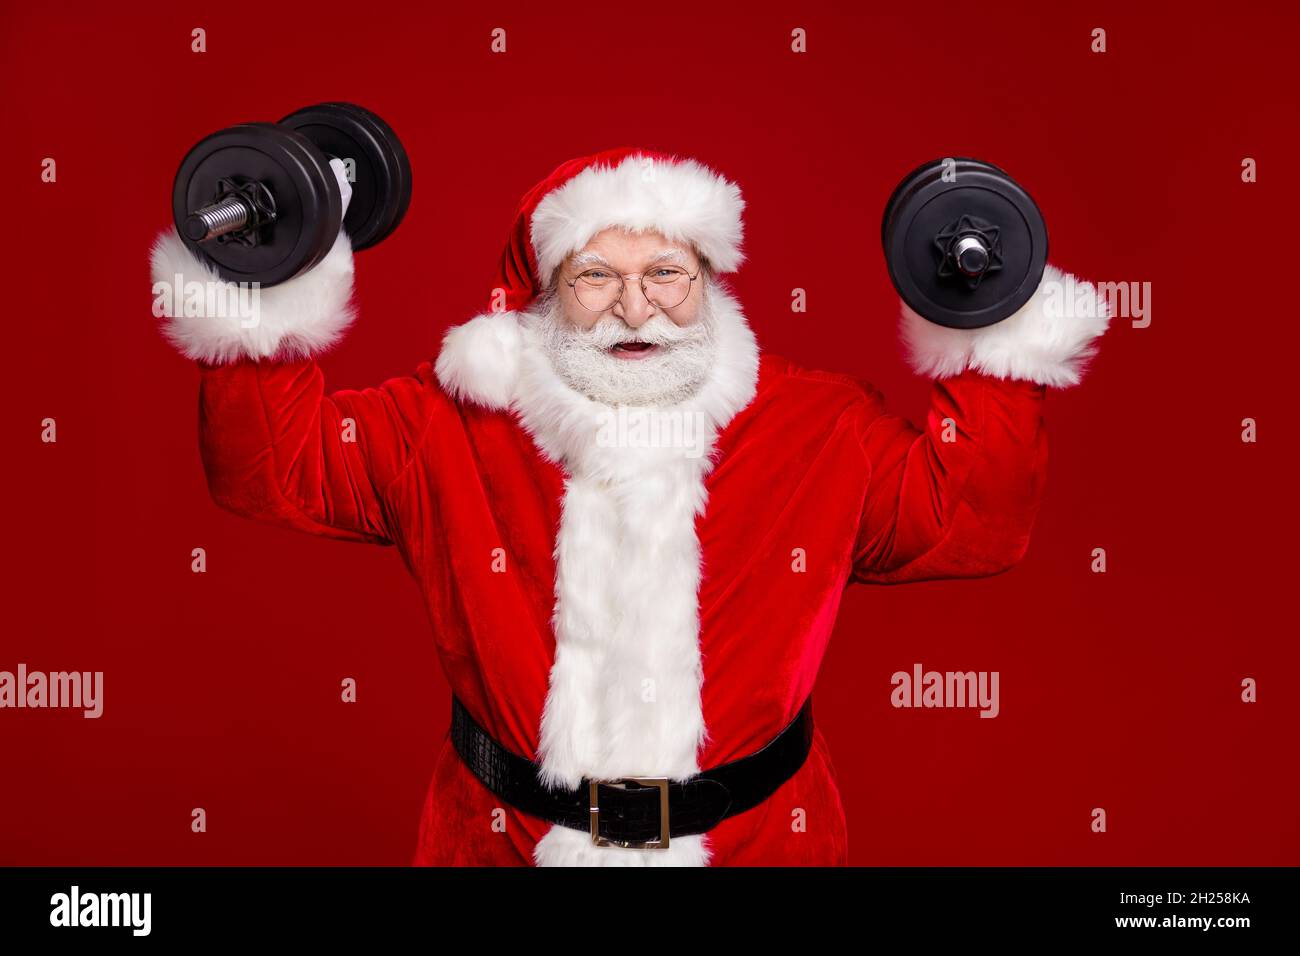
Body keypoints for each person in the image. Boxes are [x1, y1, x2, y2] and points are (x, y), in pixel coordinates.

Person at [149, 146, 1109, 866]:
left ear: (711, 282)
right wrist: (264, 274)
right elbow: (273, 474)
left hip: (760, 844)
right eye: (596, 276)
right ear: (539, 296)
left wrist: (989, 321)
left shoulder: (817, 422)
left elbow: (970, 523)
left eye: (667, 275)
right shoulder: (442, 424)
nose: (637, 308)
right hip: (503, 844)